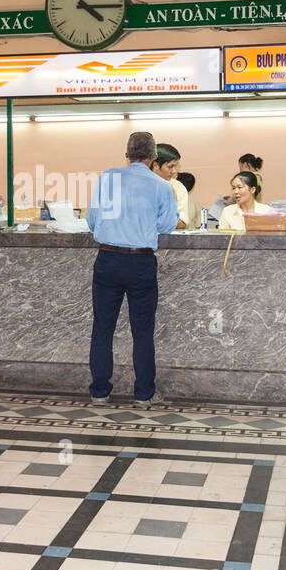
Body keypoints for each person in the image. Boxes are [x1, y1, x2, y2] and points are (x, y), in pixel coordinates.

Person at [86, 131, 177, 409]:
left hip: (108, 259)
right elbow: (167, 226)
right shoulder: (161, 186)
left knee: (103, 328)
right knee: (142, 330)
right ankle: (143, 394)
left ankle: (100, 391)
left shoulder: (108, 179)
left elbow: (92, 220)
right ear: (153, 158)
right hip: (140, 262)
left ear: (128, 154)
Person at [154, 143, 190, 228]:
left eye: (176, 167)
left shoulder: (178, 187)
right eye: (170, 167)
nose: (174, 171)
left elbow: (182, 222)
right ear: (155, 165)